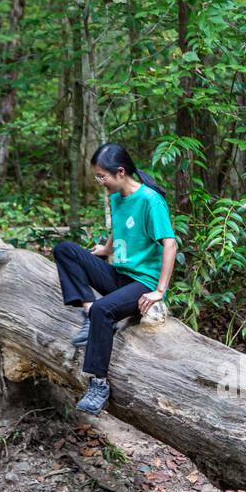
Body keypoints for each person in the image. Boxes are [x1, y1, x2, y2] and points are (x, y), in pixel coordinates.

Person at [52, 143, 176, 415]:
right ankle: (88, 313)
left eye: (101, 176)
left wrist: (159, 291)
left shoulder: (150, 200)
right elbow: (119, 227)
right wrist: (106, 249)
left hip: (143, 283)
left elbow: (170, 244)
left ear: (120, 172)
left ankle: (99, 384)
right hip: (119, 274)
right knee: (64, 250)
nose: (100, 181)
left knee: (103, 310)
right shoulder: (117, 197)